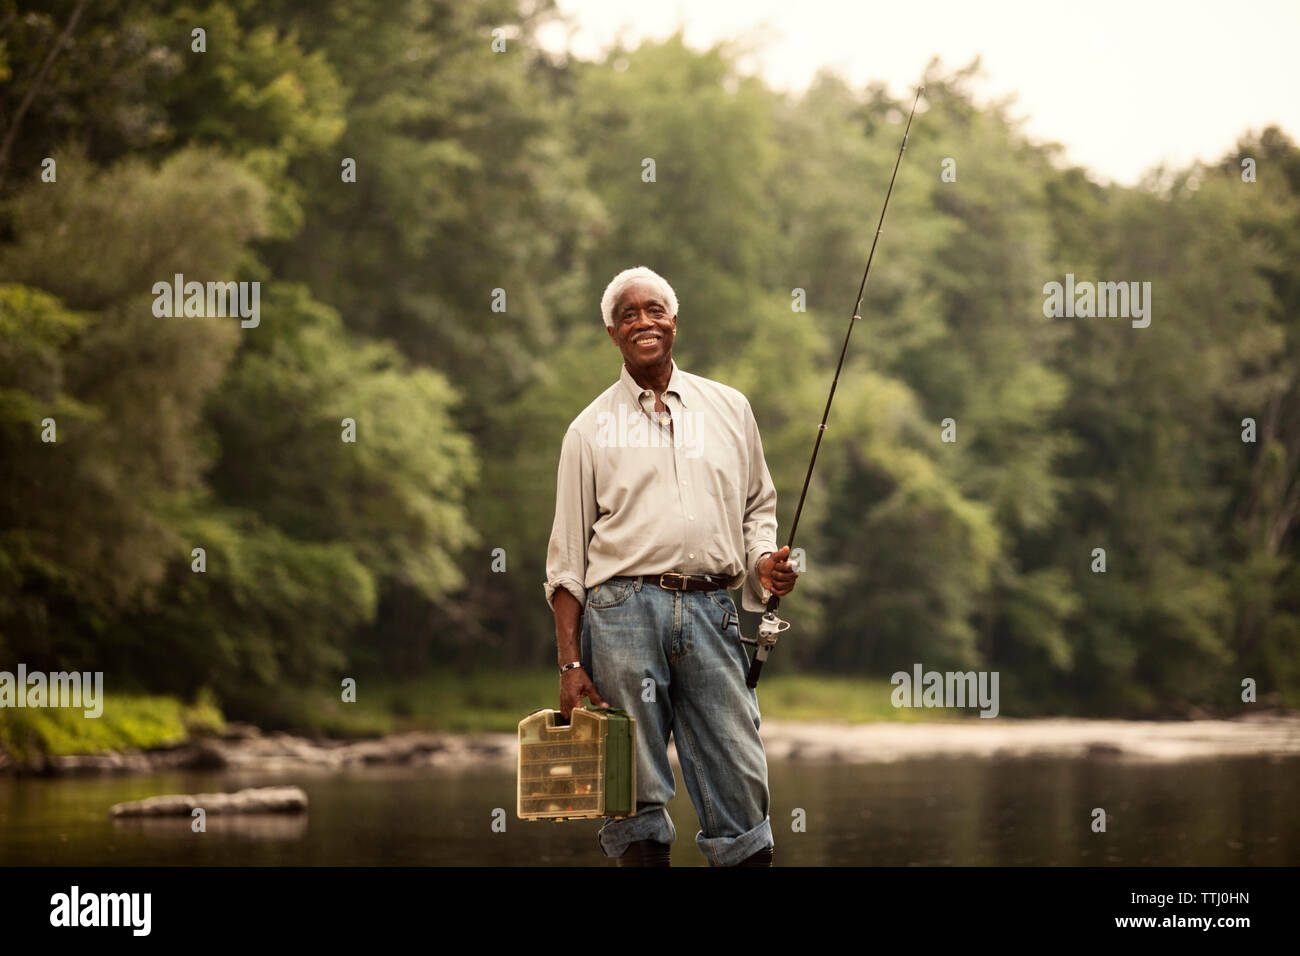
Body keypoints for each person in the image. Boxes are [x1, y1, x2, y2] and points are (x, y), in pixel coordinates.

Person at [543, 265, 799, 867]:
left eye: (654, 309)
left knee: (740, 768)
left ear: (674, 321)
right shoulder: (586, 430)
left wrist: (764, 565)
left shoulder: (731, 409)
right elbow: (565, 561)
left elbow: (758, 507)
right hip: (620, 613)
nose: (643, 321)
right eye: (628, 314)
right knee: (633, 787)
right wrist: (570, 664)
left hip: (713, 608)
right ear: (612, 333)